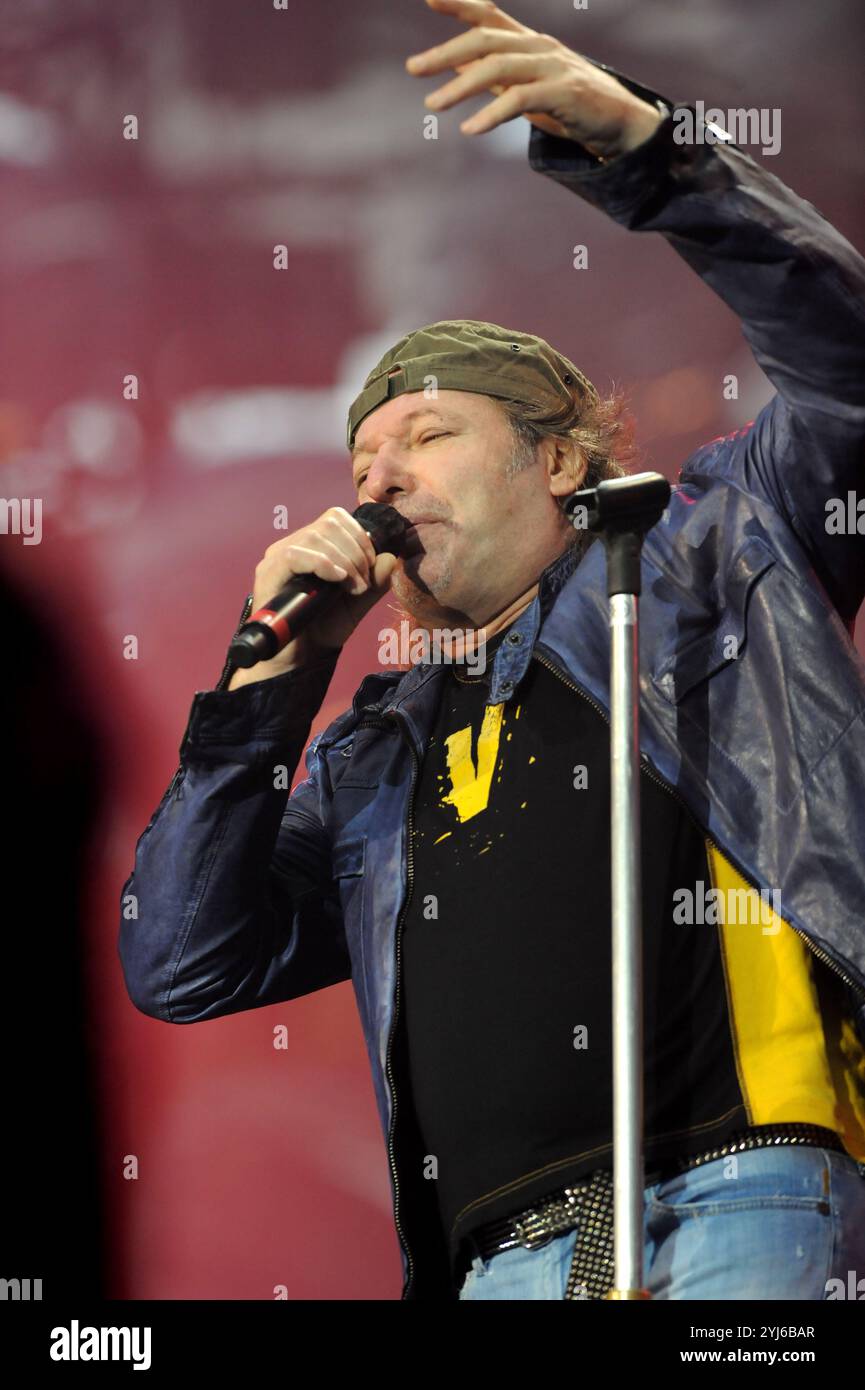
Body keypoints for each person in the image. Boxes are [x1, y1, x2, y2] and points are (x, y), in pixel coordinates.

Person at [118, 0, 865, 1301]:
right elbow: (184, 958)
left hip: (740, 1183)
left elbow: (847, 373)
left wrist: (652, 155)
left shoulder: (701, 563)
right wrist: (265, 688)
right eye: (360, 459)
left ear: (558, 459)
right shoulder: (376, 758)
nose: (378, 475)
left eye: (425, 435)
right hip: (524, 1249)